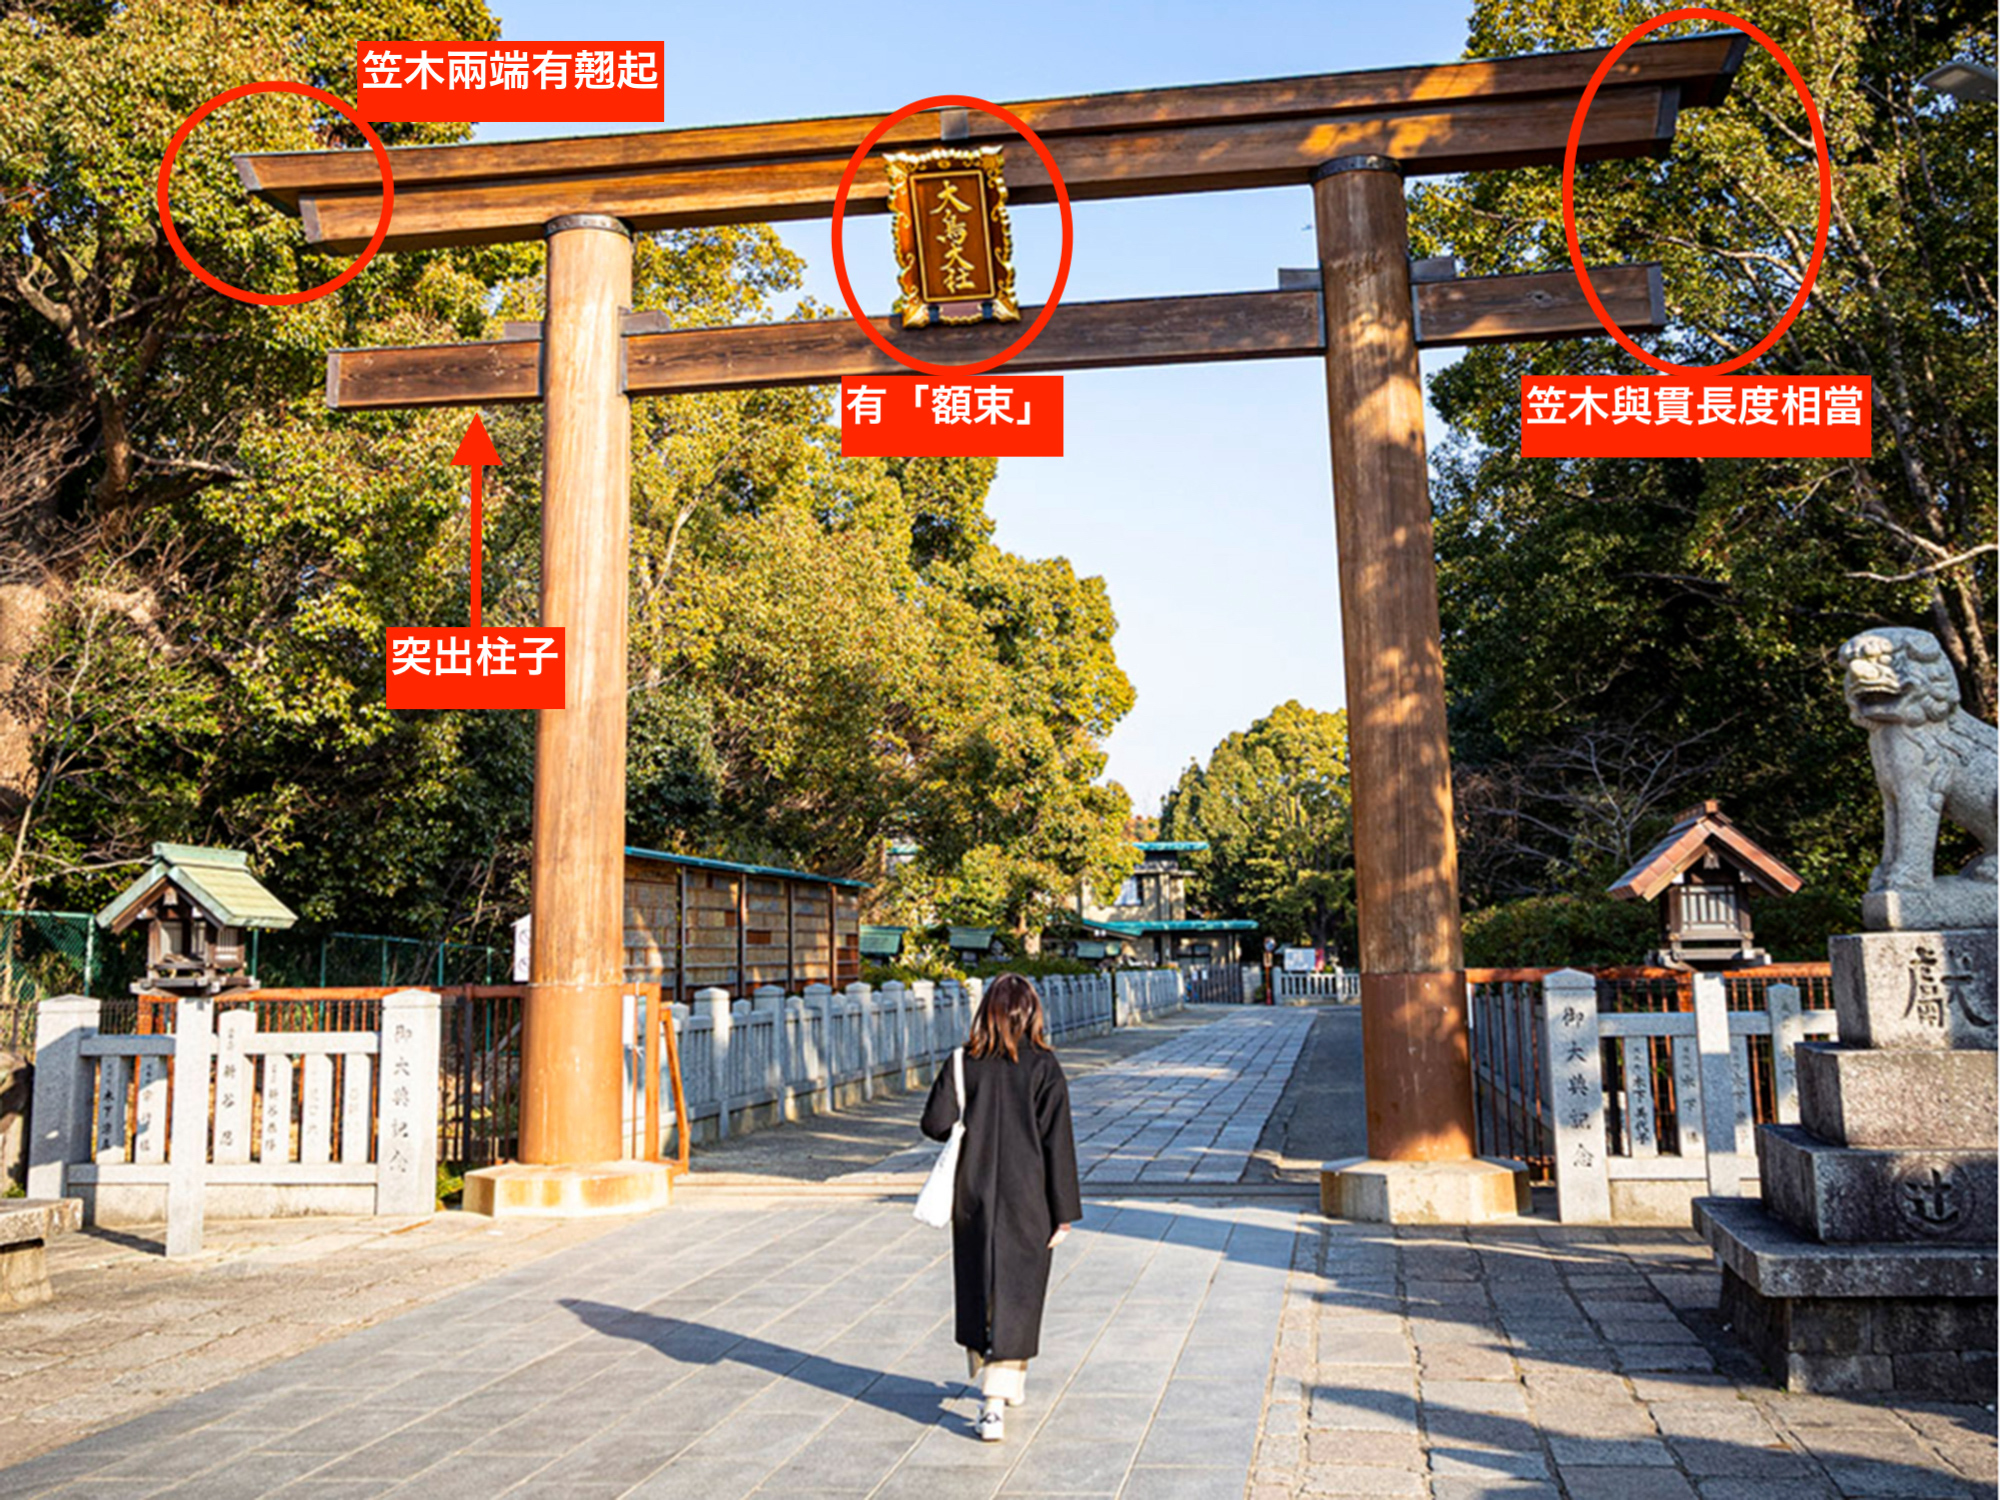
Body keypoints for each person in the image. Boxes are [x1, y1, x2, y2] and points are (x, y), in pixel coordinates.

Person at [920, 972, 1083, 1443]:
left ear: (987, 1011)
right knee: (1019, 1294)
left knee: (980, 1288)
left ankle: (997, 1372)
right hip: (1029, 1198)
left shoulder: (961, 1062)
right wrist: (1064, 1210)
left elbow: (934, 1123)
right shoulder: (1044, 1067)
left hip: (972, 1196)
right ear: (1031, 1013)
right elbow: (1059, 1145)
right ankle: (994, 1400)